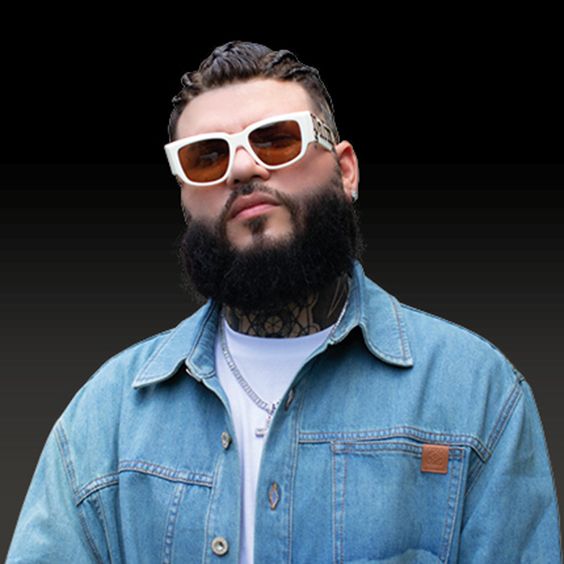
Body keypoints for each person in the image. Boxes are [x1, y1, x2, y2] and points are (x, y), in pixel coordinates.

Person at [7, 40, 562, 563]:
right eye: (207, 158)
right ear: (184, 198)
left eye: (275, 140)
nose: (243, 168)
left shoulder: (476, 393)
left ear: (346, 170)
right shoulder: (105, 418)